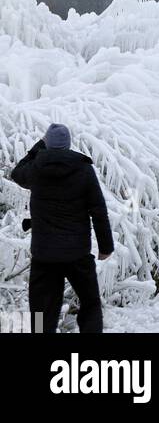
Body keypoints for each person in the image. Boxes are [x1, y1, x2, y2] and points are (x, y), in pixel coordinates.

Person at [9, 124, 114, 334]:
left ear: (47, 143)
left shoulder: (35, 168)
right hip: (77, 253)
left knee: (41, 311)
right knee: (90, 304)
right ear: (68, 144)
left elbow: (16, 173)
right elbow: (98, 210)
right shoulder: (84, 169)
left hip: (44, 254)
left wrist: (40, 146)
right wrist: (105, 246)